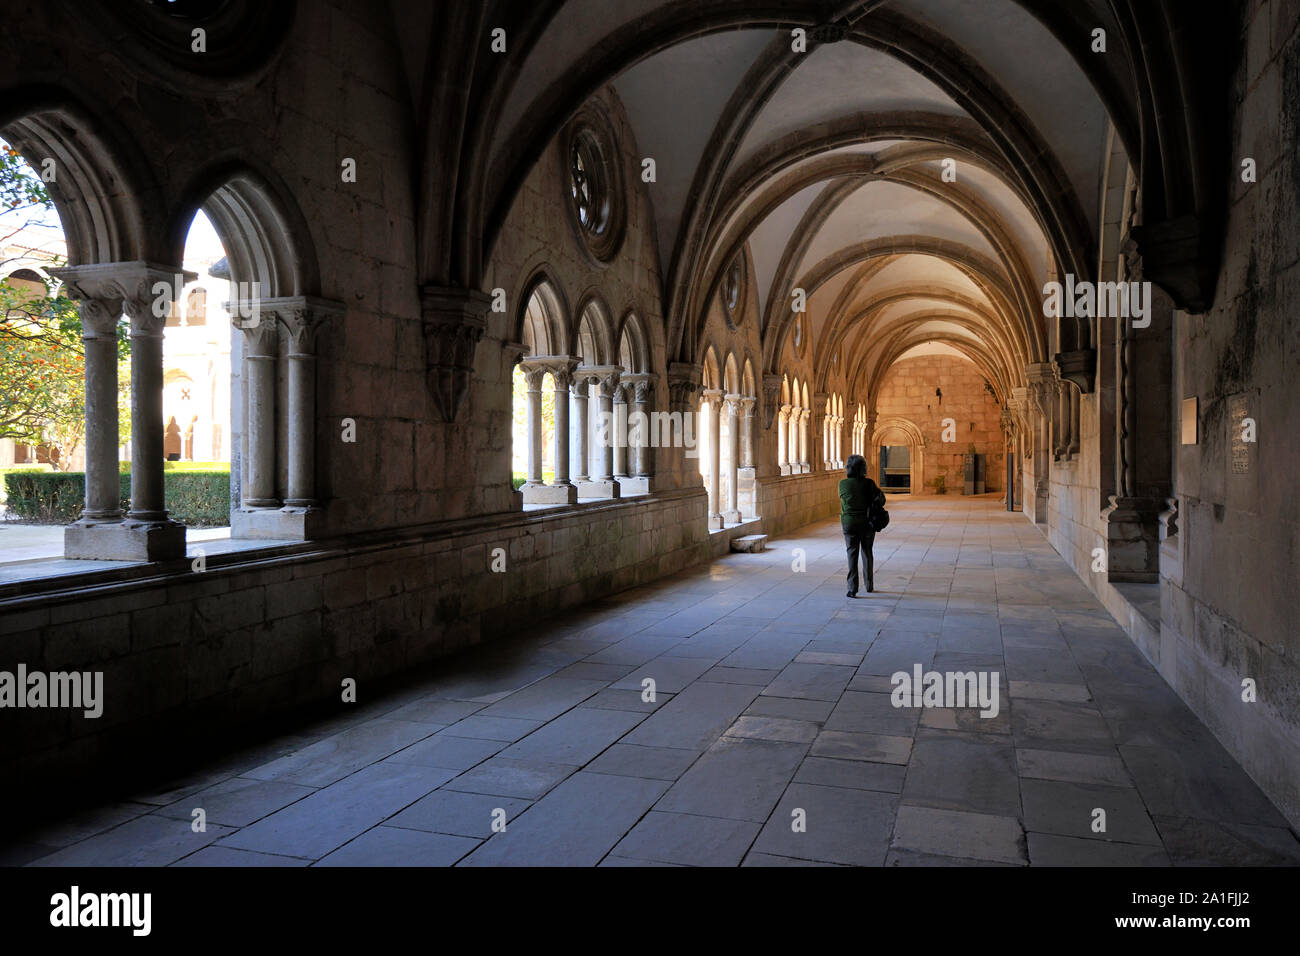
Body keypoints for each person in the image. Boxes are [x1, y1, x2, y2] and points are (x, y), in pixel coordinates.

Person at [839, 454, 885, 596]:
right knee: (867, 552)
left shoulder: (842, 484)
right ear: (863, 468)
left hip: (849, 523)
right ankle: (869, 584)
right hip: (866, 523)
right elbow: (881, 500)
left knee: (852, 554)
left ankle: (852, 588)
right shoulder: (869, 483)